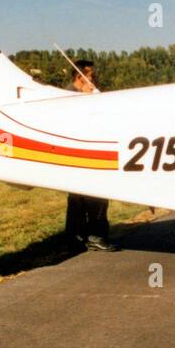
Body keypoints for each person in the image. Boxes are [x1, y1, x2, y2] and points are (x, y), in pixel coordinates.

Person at [65, 59, 118, 252]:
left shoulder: (80, 97)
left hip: (83, 156)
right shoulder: (68, 99)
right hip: (80, 155)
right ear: (79, 77)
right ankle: (91, 236)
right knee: (92, 195)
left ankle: (77, 236)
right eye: (91, 77)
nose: (94, 81)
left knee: (80, 197)